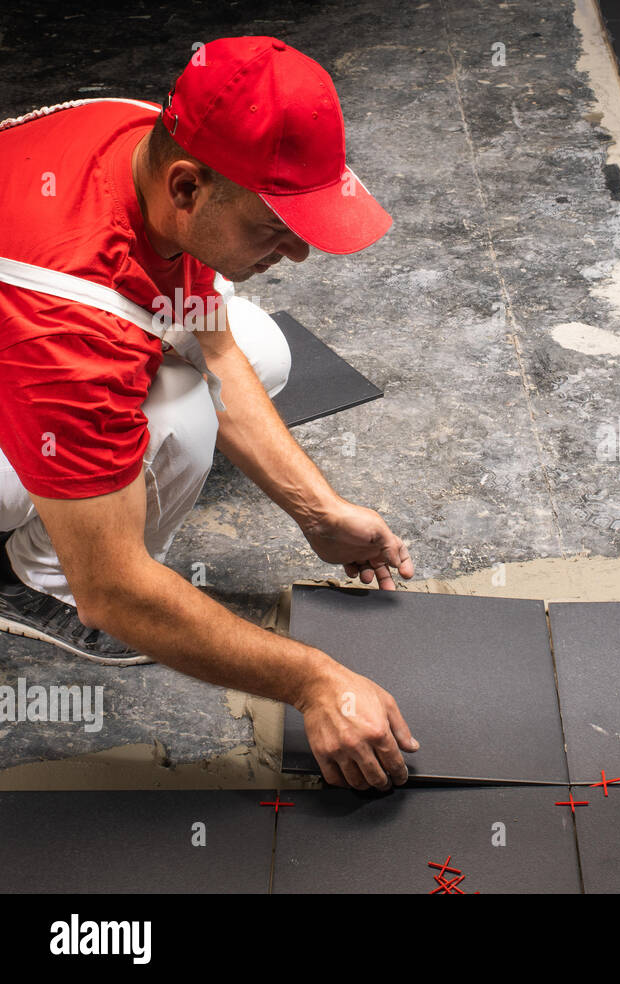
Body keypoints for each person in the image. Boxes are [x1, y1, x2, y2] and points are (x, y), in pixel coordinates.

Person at [0, 36, 417, 792]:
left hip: (33, 325)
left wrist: (318, 512)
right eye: (276, 229)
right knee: (179, 412)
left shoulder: (142, 142)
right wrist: (312, 682)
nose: (297, 256)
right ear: (188, 188)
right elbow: (118, 587)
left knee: (259, 349)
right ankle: (43, 579)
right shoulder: (70, 309)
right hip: (37, 329)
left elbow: (213, 343)